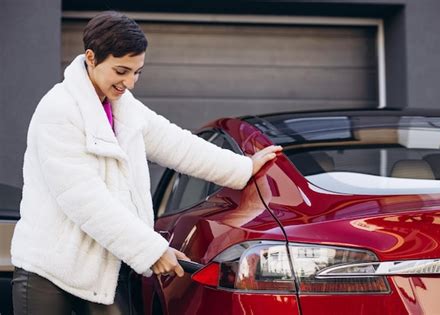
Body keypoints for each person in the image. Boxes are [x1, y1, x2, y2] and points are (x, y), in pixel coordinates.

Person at [10, 11, 281, 315]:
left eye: (137, 72)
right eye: (121, 71)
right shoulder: (58, 111)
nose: (130, 82)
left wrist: (242, 168)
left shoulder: (122, 106)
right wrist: (152, 251)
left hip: (103, 270)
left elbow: (176, 143)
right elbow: (85, 200)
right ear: (90, 57)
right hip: (48, 274)